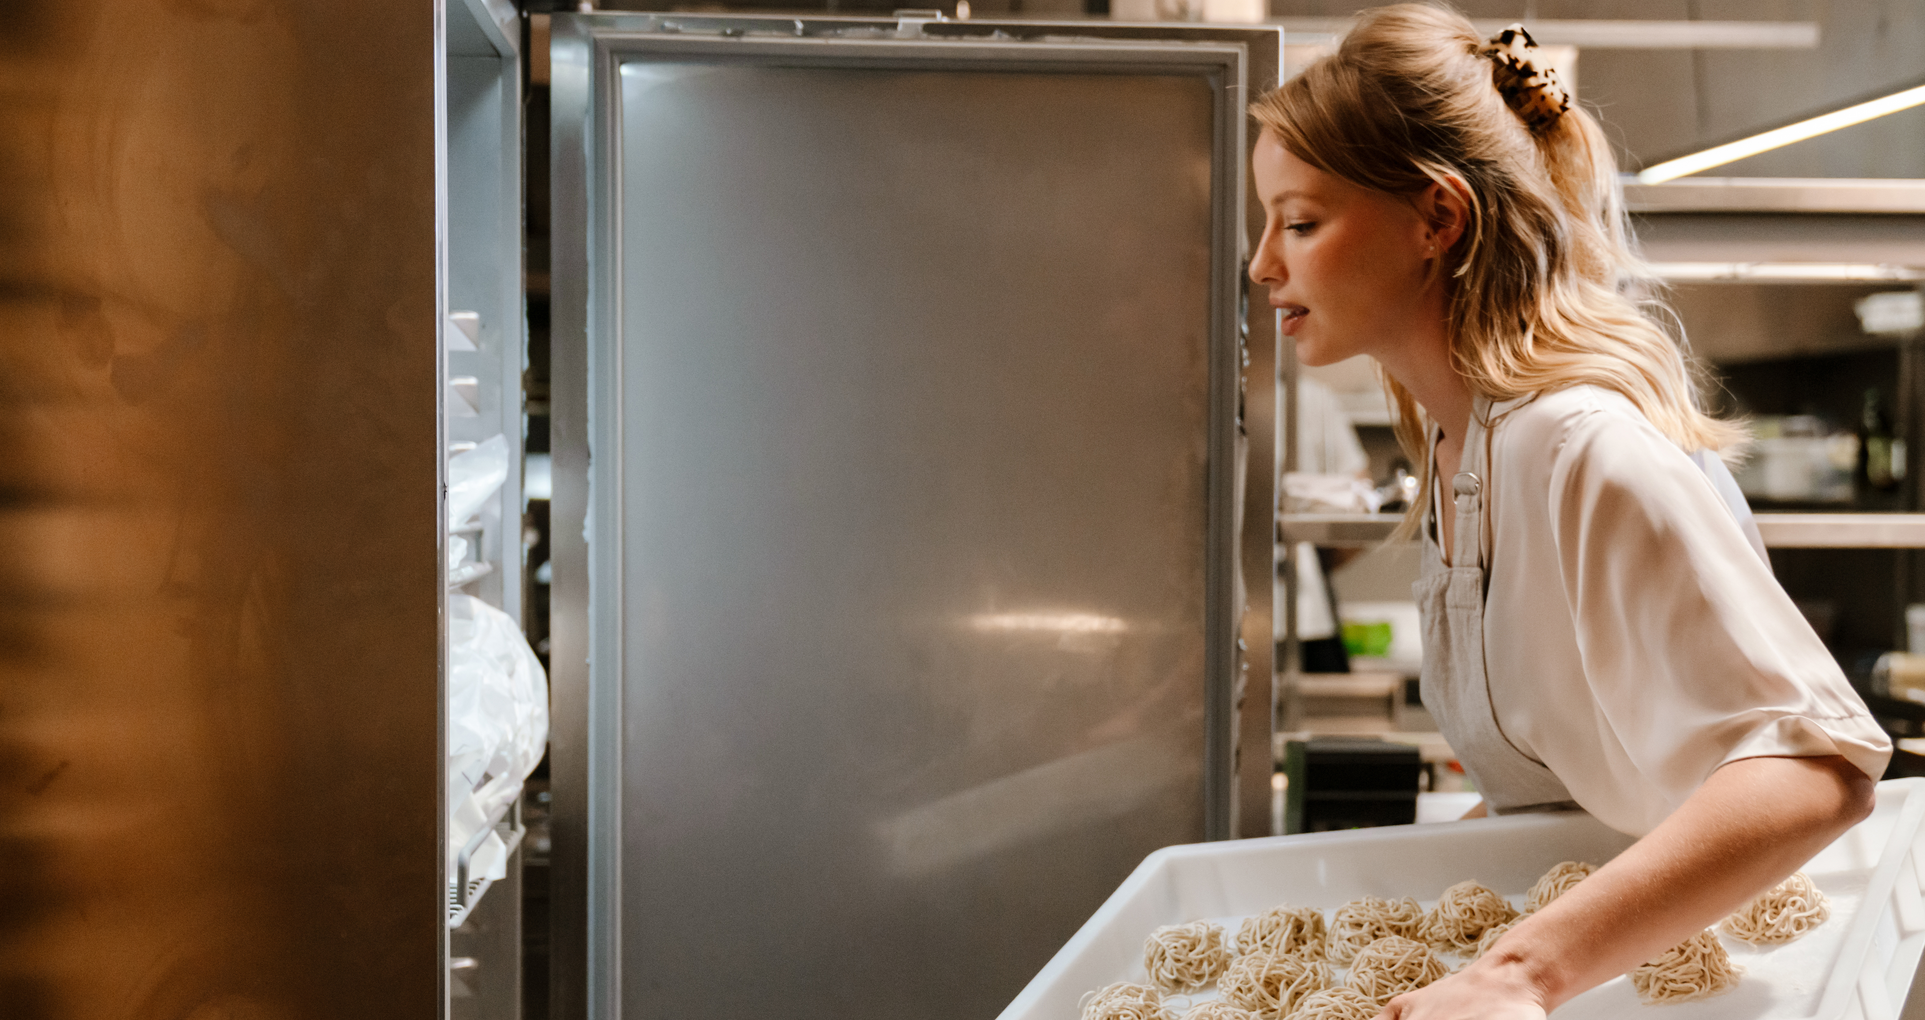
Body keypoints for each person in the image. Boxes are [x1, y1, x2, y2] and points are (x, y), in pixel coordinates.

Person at [1244, 6, 1891, 1020]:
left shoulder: (1580, 448)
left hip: (1737, 979)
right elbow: (1562, 794)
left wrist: (1516, 973)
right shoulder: (1461, 453)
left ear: (1436, 219)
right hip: (1625, 981)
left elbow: (1812, 771)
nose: (1261, 265)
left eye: (1298, 221)